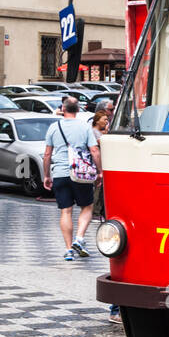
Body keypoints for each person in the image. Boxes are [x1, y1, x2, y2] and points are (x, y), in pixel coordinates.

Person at [42, 97, 102, 261]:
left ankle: (69, 249)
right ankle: (79, 238)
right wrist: (99, 172)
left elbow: (47, 154)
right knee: (87, 207)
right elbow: (95, 151)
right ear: (78, 109)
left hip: (61, 173)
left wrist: (47, 175)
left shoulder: (54, 127)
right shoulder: (84, 127)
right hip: (81, 173)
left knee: (66, 211)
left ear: (63, 108)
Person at [89, 109, 119, 324]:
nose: (107, 123)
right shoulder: (110, 142)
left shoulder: (112, 140)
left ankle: (116, 308)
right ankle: (116, 309)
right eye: (105, 120)